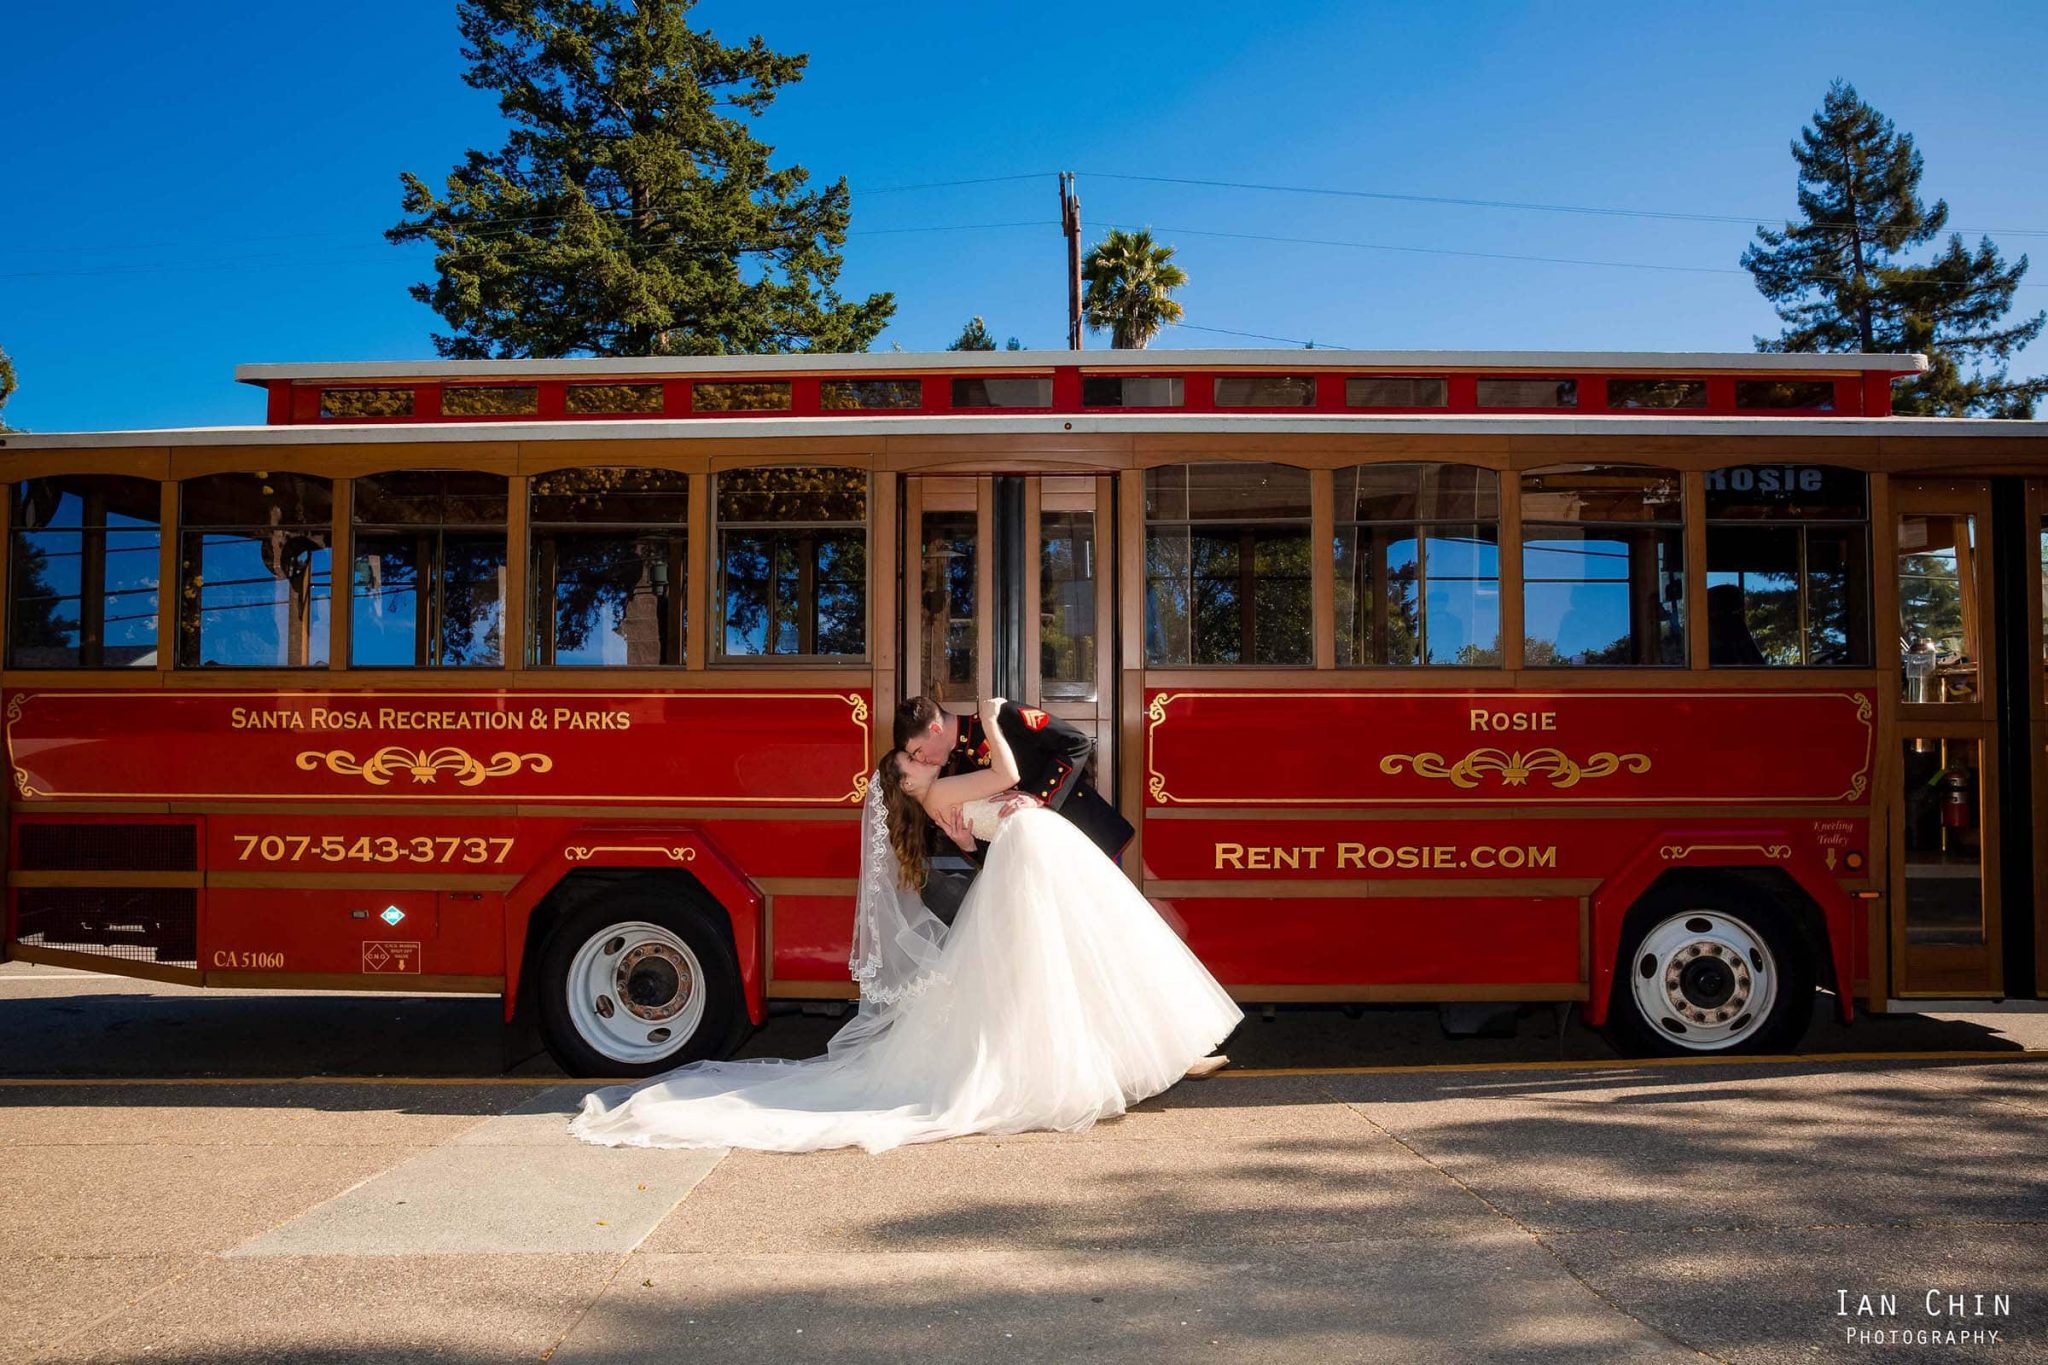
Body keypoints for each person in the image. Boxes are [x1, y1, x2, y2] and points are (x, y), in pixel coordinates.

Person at [566, 696, 1243, 1154]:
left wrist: (988, 815)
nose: (928, 754)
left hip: (1036, 851)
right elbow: (1005, 772)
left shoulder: (940, 792)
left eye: (925, 748)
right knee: (1087, 956)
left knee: (1085, 958)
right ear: (910, 771)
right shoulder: (940, 788)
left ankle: (1160, 1055)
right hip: (1039, 854)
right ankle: (1155, 1057)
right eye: (918, 754)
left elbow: (977, 835)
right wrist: (992, 721)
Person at [896, 694, 1135, 923]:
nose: (921, 759)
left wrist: (1039, 797)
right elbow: (994, 835)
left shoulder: (1003, 716)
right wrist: (969, 845)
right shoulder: (958, 768)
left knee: (1106, 932)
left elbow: (1077, 743)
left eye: (917, 751)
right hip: (1039, 869)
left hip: (1086, 835)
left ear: (935, 730)